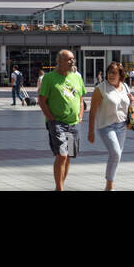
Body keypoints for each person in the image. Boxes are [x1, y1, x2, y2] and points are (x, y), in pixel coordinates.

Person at [38, 50, 85, 191]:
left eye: (73, 59)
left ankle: (60, 185)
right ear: (59, 61)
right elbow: (42, 100)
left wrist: (80, 115)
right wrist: (51, 118)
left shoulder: (77, 77)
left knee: (69, 155)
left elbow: (81, 99)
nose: (72, 61)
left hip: (73, 123)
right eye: (69, 59)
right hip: (58, 123)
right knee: (62, 155)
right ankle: (59, 188)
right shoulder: (49, 78)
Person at [88, 62, 134, 190]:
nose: (111, 75)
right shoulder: (101, 89)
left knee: (117, 156)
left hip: (122, 126)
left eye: (114, 72)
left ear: (120, 75)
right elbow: (92, 112)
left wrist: (132, 110)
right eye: (109, 72)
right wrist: (91, 131)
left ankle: (109, 186)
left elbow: (128, 106)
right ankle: (110, 185)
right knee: (115, 153)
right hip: (106, 126)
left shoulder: (125, 86)